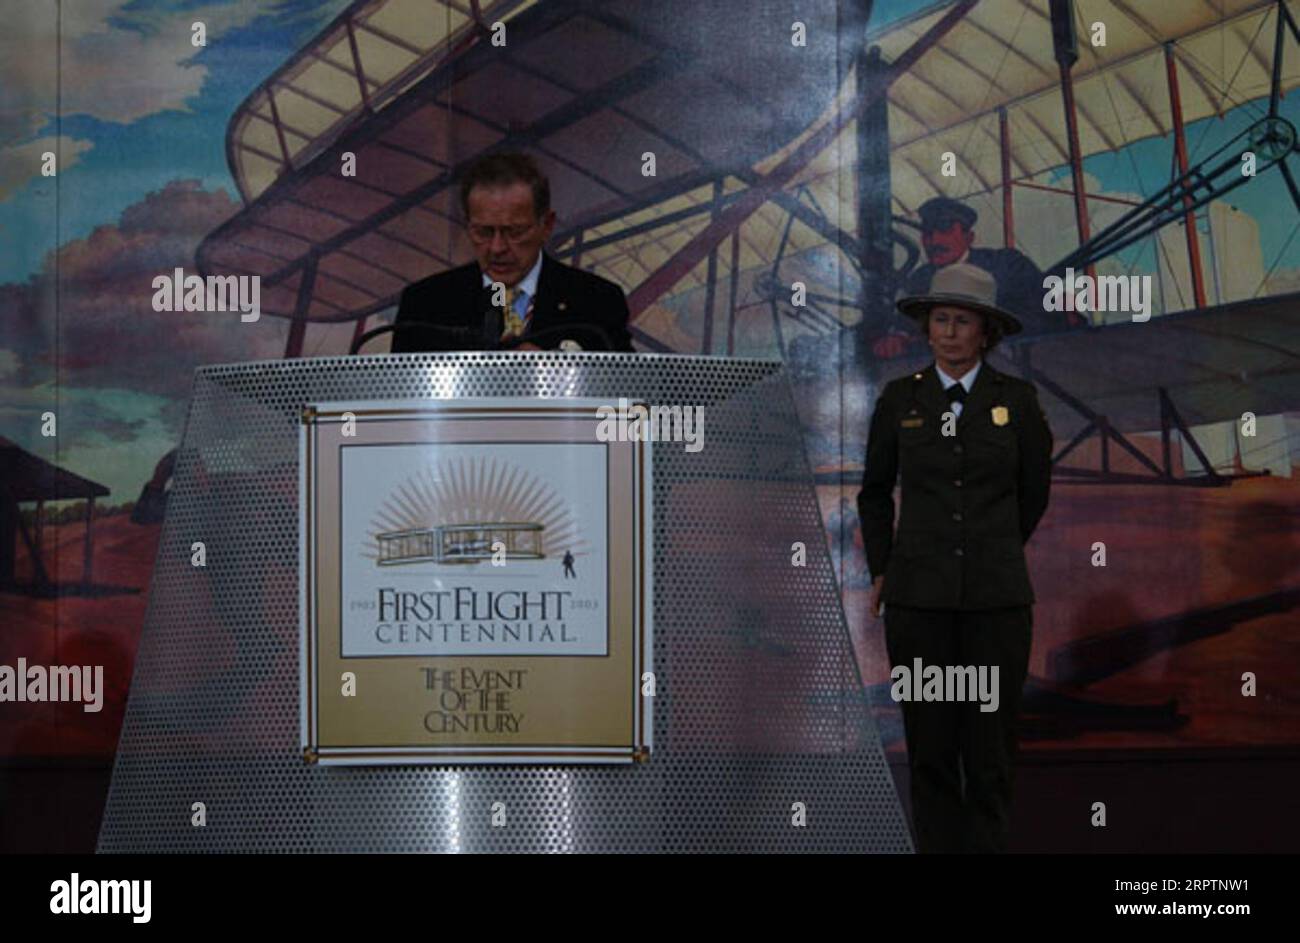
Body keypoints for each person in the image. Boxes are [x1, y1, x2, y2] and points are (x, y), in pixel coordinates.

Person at [856, 262, 1053, 853]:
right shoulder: (899, 400)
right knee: (932, 754)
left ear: (985, 332)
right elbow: (873, 492)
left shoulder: (1017, 402)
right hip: (919, 605)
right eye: (939, 319)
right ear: (926, 328)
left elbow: (1033, 493)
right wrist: (884, 569)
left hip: (996, 606)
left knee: (990, 757)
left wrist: (986, 553)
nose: (947, 332)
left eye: (961, 321)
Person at [392, 153, 634, 352]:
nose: (497, 248)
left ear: (547, 225)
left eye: (514, 232)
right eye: (484, 232)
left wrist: (565, 380)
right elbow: (398, 401)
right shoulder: (425, 305)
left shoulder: (597, 301)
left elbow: (632, 401)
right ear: (468, 225)